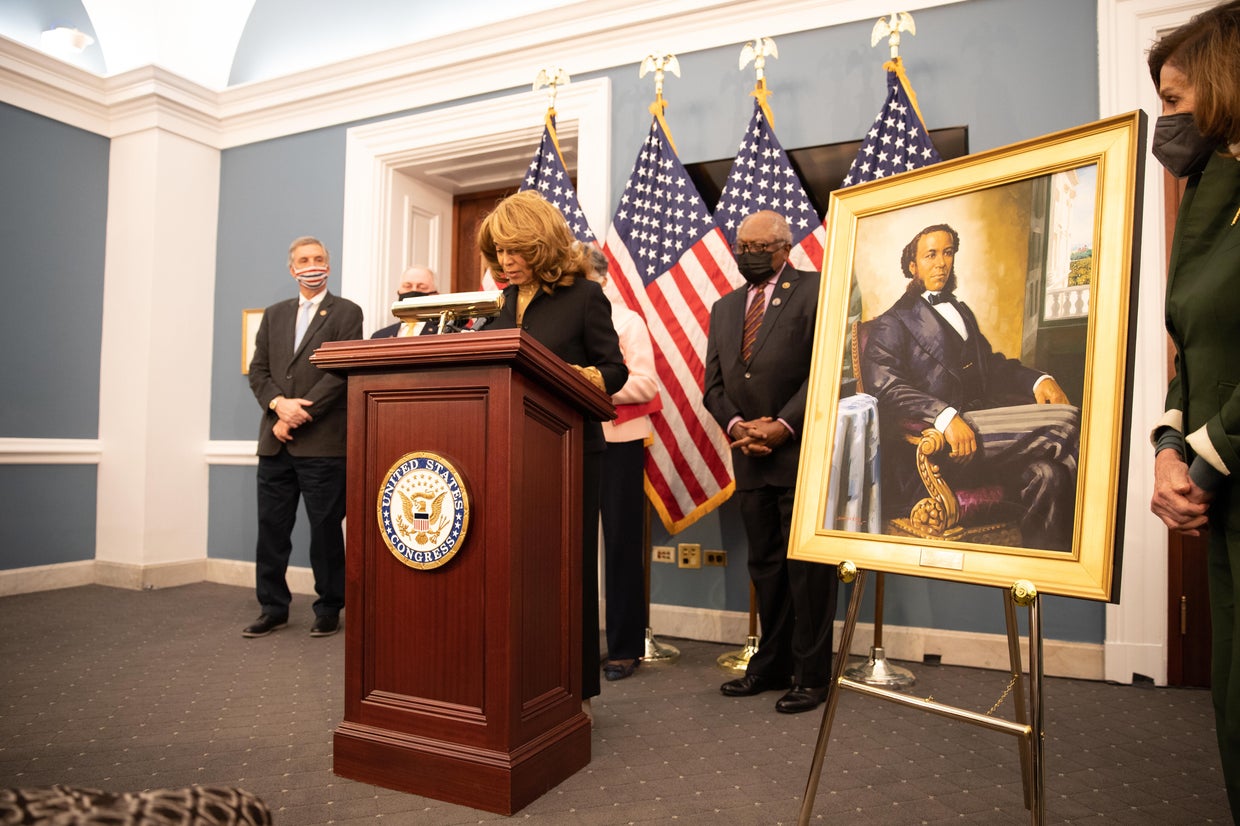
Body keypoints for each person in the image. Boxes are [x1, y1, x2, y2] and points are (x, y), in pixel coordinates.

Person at [478, 190, 628, 707]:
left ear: (541, 245)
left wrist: (574, 377)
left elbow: (615, 369)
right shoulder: (500, 305)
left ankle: (574, 690)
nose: (506, 261)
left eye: (515, 250)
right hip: (507, 456)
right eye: (498, 251)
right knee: (516, 573)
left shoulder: (584, 297)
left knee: (566, 574)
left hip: (569, 454)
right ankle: (523, 686)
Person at [1146, 3, 1240, 816]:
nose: (1165, 121)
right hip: (1219, 490)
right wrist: (1170, 444)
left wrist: (1204, 458)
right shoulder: (1214, 184)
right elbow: (1193, 340)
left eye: (1174, 100)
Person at [861, 223, 1080, 551]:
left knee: (1050, 475)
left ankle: (1048, 570)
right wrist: (945, 417)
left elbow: (992, 366)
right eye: (930, 255)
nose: (941, 263)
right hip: (938, 447)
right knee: (1066, 420)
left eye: (947, 253)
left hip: (987, 438)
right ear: (912, 265)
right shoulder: (892, 322)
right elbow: (885, 384)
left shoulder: (961, 312)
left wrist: (1039, 379)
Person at [704, 210, 838, 714]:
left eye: (759, 247)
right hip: (750, 457)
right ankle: (771, 664)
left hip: (800, 450)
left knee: (807, 570)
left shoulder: (816, 290)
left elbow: (829, 367)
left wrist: (782, 425)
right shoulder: (724, 307)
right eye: (743, 245)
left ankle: (812, 674)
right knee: (765, 567)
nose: (748, 254)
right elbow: (713, 386)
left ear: (785, 248)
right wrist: (740, 428)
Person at [244, 236, 363, 639]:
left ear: (328, 265)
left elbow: (341, 374)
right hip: (275, 440)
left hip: (323, 444)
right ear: (291, 269)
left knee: (325, 529)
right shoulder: (275, 315)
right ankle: (272, 607)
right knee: (271, 530)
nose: (312, 265)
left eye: (319, 259)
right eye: (303, 260)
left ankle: (329, 606)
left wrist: (297, 414)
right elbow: (259, 371)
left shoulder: (347, 312)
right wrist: (278, 406)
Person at [586, 247, 661, 682]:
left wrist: (591, 386)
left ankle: (624, 648)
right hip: (572, 439)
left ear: (603, 280)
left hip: (619, 442)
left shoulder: (627, 321)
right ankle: (578, 644)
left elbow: (646, 383)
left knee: (621, 545)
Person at [371, 266, 438, 338]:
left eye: (422, 287)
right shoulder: (379, 337)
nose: (414, 290)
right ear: (399, 291)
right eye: (407, 286)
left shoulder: (446, 331)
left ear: (435, 294)